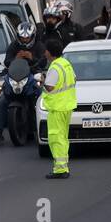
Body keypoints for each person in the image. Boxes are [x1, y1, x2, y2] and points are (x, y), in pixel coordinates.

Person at [0, 21, 48, 145]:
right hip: (15, 77)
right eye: (22, 37)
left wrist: (32, 58)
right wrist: (16, 58)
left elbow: (43, 62)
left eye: (27, 38)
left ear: (32, 36)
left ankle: (42, 129)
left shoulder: (39, 46)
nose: (25, 40)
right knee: (2, 101)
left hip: (32, 75)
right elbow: (7, 61)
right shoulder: (13, 46)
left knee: (40, 98)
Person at [41, 36, 77, 179]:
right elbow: (74, 79)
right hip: (67, 106)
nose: (44, 53)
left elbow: (49, 87)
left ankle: (60, 170)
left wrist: (42, 81)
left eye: (46, 51)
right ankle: (63, 167)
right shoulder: (66, 63)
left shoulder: (55, 67)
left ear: (50, 52)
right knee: (63, 137)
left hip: (57, 107)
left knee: (56, 138)